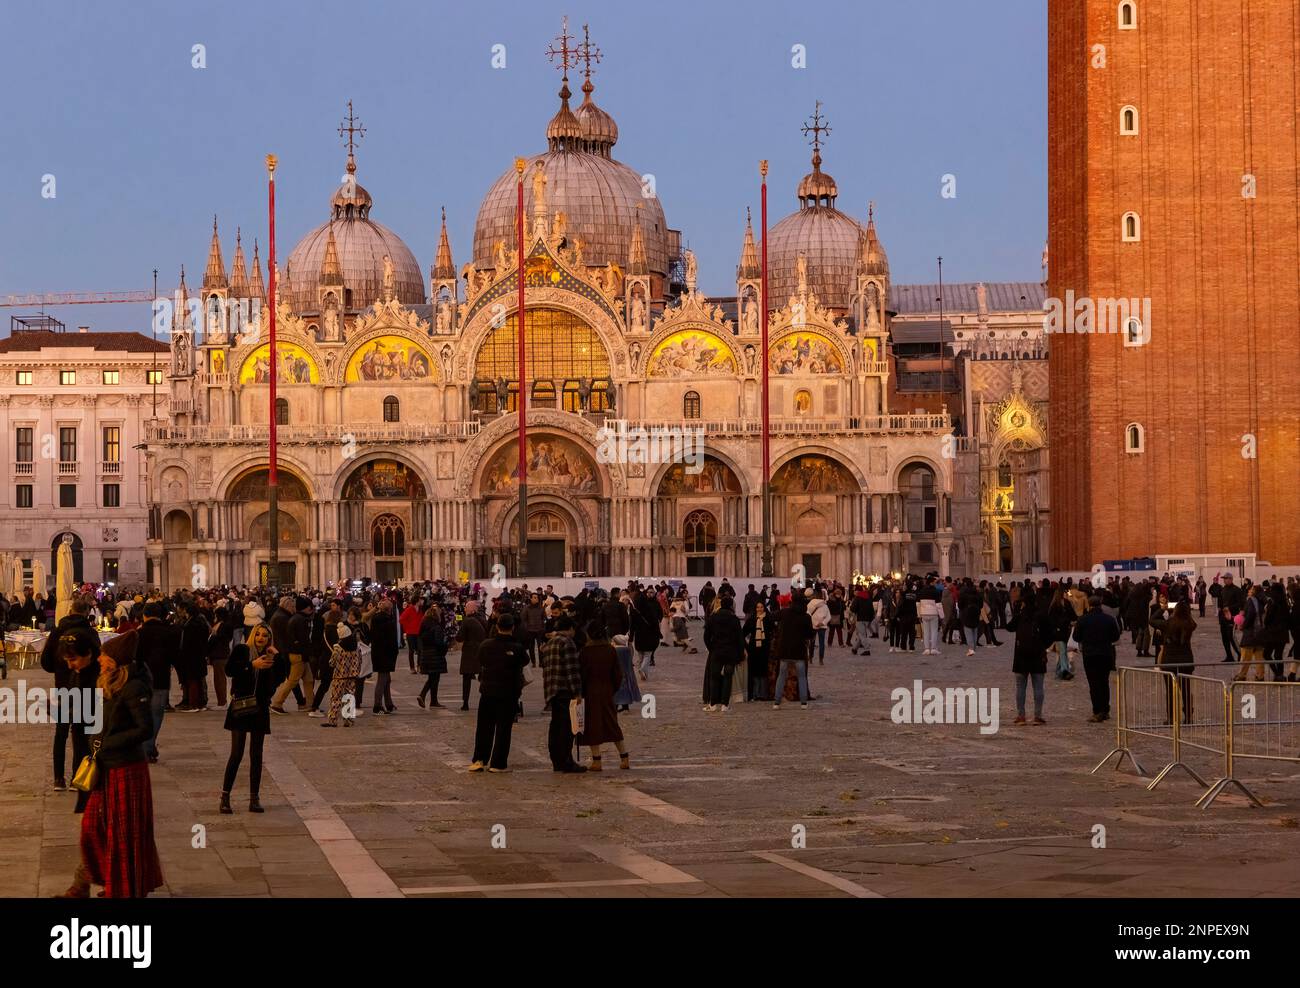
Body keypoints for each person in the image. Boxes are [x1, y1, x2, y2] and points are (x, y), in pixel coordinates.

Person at [57, 631, 164, 899]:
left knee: (123, 831)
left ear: (116, 660)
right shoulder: (107, 683)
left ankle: (123, 887)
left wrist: (108, 743)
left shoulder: (133, 686)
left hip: (126, 767)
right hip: (104, 766)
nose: (101, 659)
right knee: (92, 825)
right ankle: (94, 881)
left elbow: (144, 728)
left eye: (105, 656)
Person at [40, 596, 100, 790]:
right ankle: (77, 775)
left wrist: (60, 670)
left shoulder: (57, 632)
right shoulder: (89, 633)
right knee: (81, 733)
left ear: (70, 610)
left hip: (62, 687)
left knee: (61, 732)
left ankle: (58, 778)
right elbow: (99, 658)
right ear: (85, 613)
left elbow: (46, 661)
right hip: (86, 688)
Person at [220, 622, 276, 813]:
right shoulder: (242, 650)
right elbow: (229, 670)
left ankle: (254, 798)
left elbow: (280, 677)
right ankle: (225, 796)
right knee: (236, 753)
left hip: (260, 708)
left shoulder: (269, 657)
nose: (261, 638)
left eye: (265, 636)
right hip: (242, 706)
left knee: (256, 755)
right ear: (253, 635)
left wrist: (276, 656)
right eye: (258, 634)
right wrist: (251, 665)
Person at [469, 613, 530, 772]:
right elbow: (525, 661)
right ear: (513, 628)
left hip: (488, 691)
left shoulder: (486, 645)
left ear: (497, 626)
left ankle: (479, 759)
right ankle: (498, 763)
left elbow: (480, 660)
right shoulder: (517, 647)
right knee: (504, 728)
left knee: (484, 726)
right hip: (509, 692)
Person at [580, 623, 630, 770]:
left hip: (590, 692)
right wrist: (612, 688)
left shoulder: (585, 652)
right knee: (612, 724)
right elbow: (618, 674)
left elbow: (582, 675)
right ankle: (624, 757)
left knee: (591, 726)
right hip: (607, 691)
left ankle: (597, 760)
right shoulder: (610, 650)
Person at [135, 602, 180, 763]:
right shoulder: (169, 633)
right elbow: (175, 656)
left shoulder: (139, 633)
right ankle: (149, 745)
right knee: (156, 714)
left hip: (142, 679)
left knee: (142, 713)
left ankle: (146, 747)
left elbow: (135, 658)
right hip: (161, 678)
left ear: (144, 615)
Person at [541, 615, 585, 773]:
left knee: (555, 727)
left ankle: (557, 761)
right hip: (565, 691)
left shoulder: (550, 643)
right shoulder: (567, 643)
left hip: (552, 690)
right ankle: (566, 761)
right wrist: (577, 693)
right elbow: (572, 670)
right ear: (570, 629)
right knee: (566, 729)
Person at [1074, 595, 1120, 721]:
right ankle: (1105, 709)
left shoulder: (1083, 619)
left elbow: (1076, 637)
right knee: (1104, 682)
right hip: (1105, 653)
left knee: (1094, 683)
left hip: (1090, 655)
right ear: (1100, 604)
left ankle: (1097, 710)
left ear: (1089, 605)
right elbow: (1116, 636)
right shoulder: (1109, 619)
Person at [1008, 585, 1048, 725]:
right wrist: (1044, 647)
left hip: (1021, 655)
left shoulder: (1020, 615)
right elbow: (1049, 634)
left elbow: (1009, 627)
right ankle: (1037, 716)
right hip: (1038, 655)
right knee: (1038, 687)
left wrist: (1016, 611)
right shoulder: (1041, 614)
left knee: (1020, 687)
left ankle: (1021, 716)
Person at [270, 597, 316, 714]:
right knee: (292, 681)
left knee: (308, 679)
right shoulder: (293, 619)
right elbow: (299, 639)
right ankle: (277, 703)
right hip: (297, 654)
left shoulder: (289, 617)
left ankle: (310, 704)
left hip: (298, 654)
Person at [1154, 599, 1196, 724]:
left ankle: (1171, 717)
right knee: (1186, 690)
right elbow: (1191, 621)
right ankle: (1188, 716)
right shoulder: (1190, 624)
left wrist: (1163, 609)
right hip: (1186, 660)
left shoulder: (1168, 624)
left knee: (1170, 691)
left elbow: (1152, 620)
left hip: (1170, 660)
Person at [771, 592, 812, 709]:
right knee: (802, 676)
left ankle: (777, 702)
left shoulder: (784, 613)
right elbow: (809, 634)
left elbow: (772, 617)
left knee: (781, 676)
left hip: (784, 649)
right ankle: (803, 702)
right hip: (799, 650)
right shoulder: (806, 617)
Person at [703, 595, 743, 711]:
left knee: (714, 677)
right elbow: (739, 638)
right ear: (731, 605)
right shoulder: (734, 619)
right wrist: (740, 655)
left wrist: (711, 648)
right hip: (730, 652)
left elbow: (706, 636)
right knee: (728, 677)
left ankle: (713, 704)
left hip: (717, 651)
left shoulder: (713, 617)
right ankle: (725, 705)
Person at [321, 622, 360, 728]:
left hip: (339, 676)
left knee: (335, 698)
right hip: (352, 675)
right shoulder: (356, 646)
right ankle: (349, 721)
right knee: (349, 697)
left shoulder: (338, 647)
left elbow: (332, 662)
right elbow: (360, 660)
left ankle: (333, 720)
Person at [368, 598, 399, 713]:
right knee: (382, 679)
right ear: (389, 609)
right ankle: (377, 704)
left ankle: (389, 703)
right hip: (386, 653)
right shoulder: (388, 620)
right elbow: (391, 639)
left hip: (378, 652)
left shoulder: (376, 619)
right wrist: (395, 652)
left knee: (387, 679)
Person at [457, 600, 488, 711]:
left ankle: (465, 703)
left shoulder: (467, 621)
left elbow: (459, 637)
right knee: (484, 677)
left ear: (472, 609)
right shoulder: (483, 619)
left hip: (469, 653)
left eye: (466, 607)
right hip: (482, 652)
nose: (464, 609)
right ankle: (486, 701)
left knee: (466, 678)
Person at [417, 603, 449, 707]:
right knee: (434, 678)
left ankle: (433, 701)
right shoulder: (436, 627)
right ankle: (423, 695)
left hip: (426, 655)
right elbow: (439, 643)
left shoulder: (424, 627)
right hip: (435, 656)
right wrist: (445, 647)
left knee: (433, 678)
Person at [743, 599, 774, 701]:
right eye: (758, 607)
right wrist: (747, 646)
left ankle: (764, 694)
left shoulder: (768, 619)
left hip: (765, 648)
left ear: (764, 608)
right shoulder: (751, 620)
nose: (759, 609)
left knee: (764, 670)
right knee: (754, 671)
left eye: (761, 607)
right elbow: (743, 633)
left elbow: (774, 632)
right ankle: (755, 694)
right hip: (753, 649)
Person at [399, 596, 424, 674]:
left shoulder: (420, 610)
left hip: (419, 633)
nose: (421, 602)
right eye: (420, 600)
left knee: (420, 650)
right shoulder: (409, 609)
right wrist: (407, 628)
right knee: (411, 651)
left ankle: (419, 666)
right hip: (410, 633)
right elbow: (401, 619)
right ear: (417, 601)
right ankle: (412, 667)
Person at [807, 589, 831, 663]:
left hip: (813, 625)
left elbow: (808, 615)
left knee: (812, 642)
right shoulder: (825, 605)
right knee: (821, 643)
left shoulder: (810, 604)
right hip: (822, 626)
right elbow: (829, 617)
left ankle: (810, 657)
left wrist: (814, 623)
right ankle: (821, 659)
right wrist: (823, 623)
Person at [917, 585, 942, 656]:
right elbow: (939, 605)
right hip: (933, 613)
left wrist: (919, 615)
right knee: (934, 631)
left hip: (924, 613)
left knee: (926, 632)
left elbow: (918, 604)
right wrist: (942, 615)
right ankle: (933, 648)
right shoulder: (935, 592)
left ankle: (927, 649)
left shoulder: (921, 592)